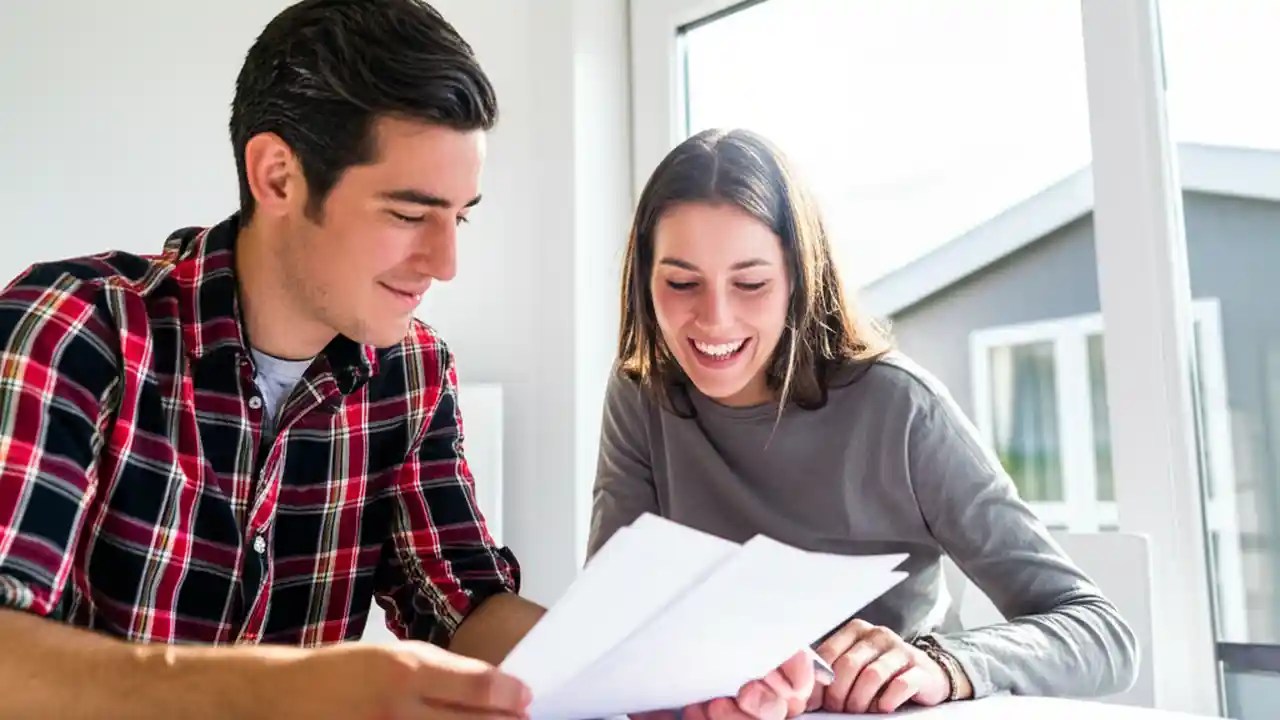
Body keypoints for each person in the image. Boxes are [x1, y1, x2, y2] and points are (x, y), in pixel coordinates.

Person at [0, 3, 806, 718]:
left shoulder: (412, 374)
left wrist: (661, 677)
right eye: (410, 212)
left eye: (461, 216)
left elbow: (464, 607)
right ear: (277, 175)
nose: (445, 261)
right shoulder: (76, 328)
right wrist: (289, 692)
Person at [590, 128, 1141, 715]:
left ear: (798, 279)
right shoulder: (640, 394)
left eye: (751, 283)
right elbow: (608, 627)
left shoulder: (899, 407)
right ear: (645, 283)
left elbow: (1101, 635)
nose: (715, 319)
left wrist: (945, 662)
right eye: (681, 283)